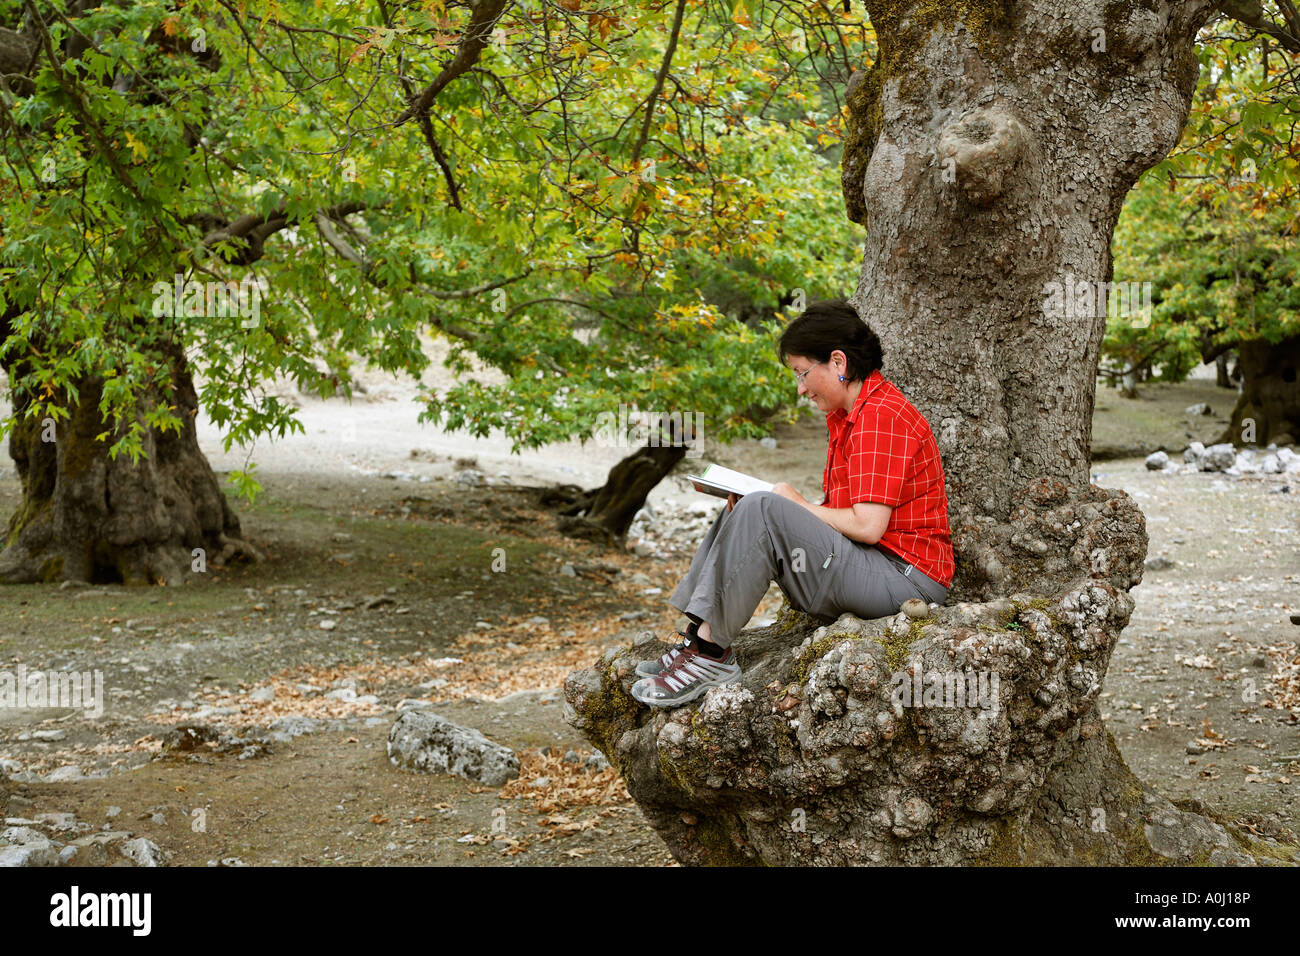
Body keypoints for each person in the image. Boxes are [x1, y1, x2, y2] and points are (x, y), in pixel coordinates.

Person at [631, 299, 954, 708]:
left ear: (838, 361)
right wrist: (775, 507)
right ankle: (698, 638)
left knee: (765, 507)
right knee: (747, 505)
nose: (800, 388)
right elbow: (843, 514)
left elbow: (869, 525)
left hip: (906, 580)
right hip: (873, 563)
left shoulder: (882, 416)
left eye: (803, 373)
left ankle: (712, 656)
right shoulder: (848, 416)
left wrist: (791, 505)